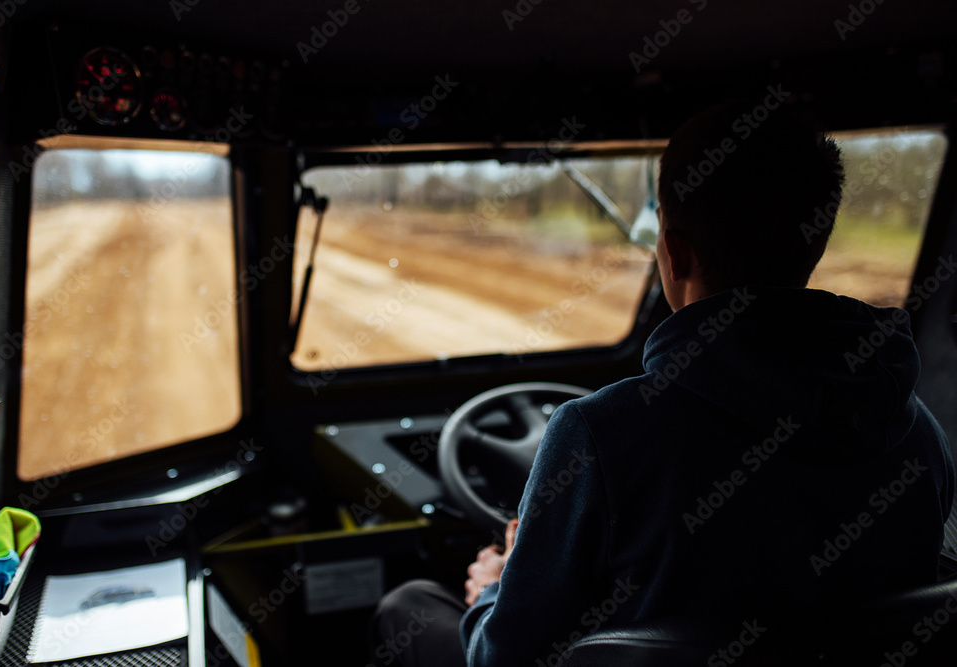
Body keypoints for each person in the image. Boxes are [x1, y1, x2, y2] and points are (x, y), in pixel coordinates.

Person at [369, 102, 955, 667]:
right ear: (814, 245)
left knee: (409, 605)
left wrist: (495, 590)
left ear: (673, 253)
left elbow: (509, 655)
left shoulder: (603, 433)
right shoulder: (912, 428)